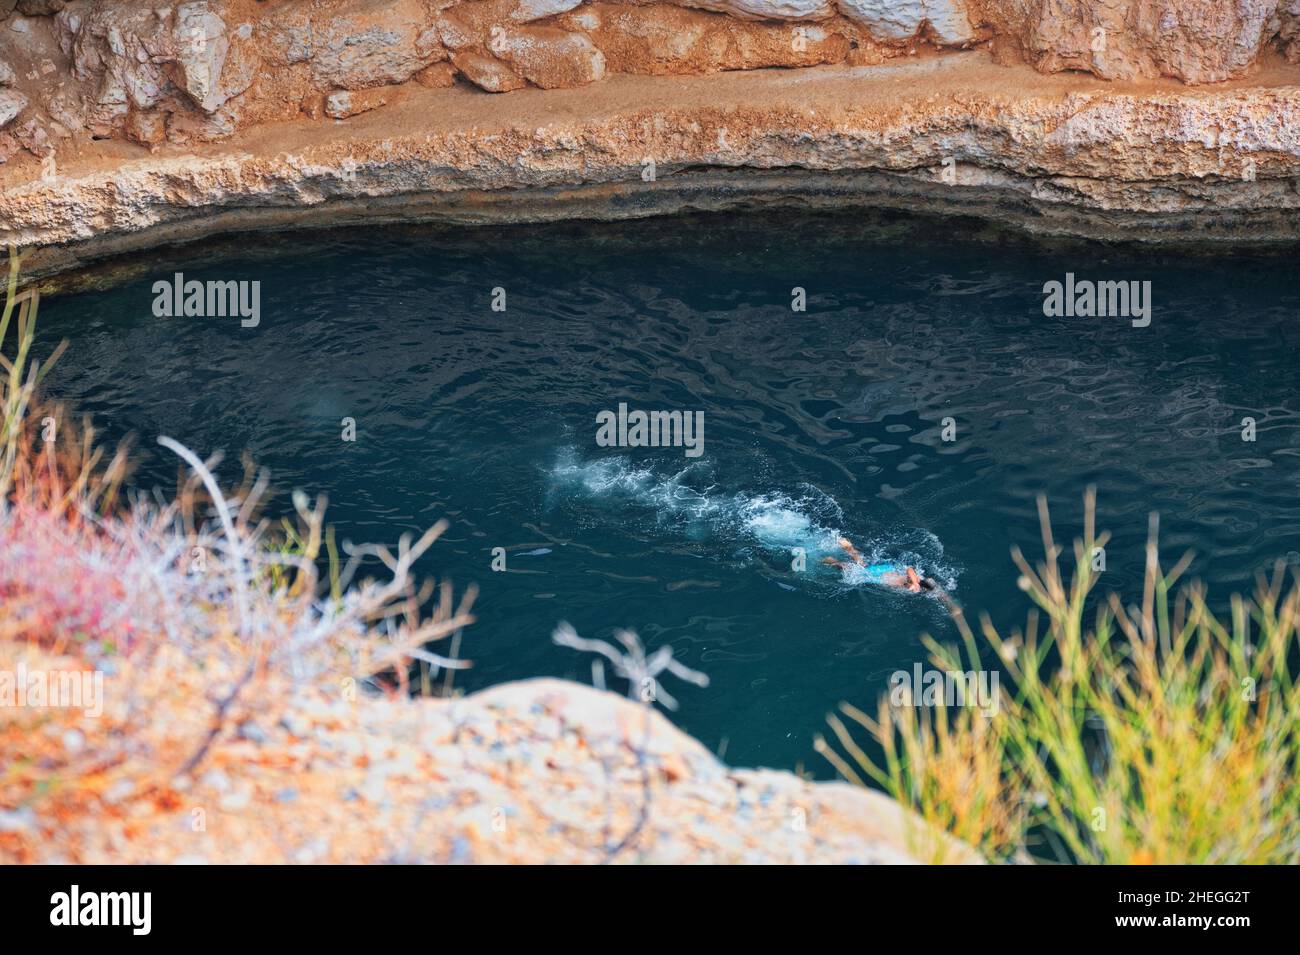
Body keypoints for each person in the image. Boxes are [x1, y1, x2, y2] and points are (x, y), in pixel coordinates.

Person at [822, 536, 938, 593]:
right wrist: (913, 584)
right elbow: (910, 573)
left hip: (887, 569)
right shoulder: (915, 586)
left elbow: (909, 569)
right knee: (853, 571)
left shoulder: (917, 577)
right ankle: (829, 560)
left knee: (862, 565)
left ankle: (849, 548)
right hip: (881, 577)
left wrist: (913, 582)